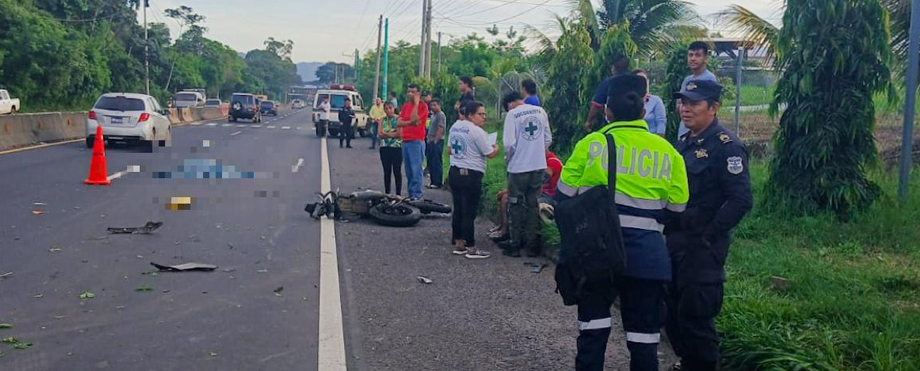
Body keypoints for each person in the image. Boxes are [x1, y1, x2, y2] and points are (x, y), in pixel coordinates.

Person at [556, 74, 690, 371]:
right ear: (644, 111)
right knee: (644, 341)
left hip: (597, 254)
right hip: (648, 257)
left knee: (593, 332)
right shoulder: (669, 152)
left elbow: (563, 195)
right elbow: (678, 210)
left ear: (607, 110)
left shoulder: (592, 144)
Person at [665, 79, 752, 371]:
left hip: (702, 247)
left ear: (714, 107)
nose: (685, 109)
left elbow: (740, 199)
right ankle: (688, 362)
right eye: (682, 102)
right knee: (671, 311)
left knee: (696, 314)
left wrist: (709, 234)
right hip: (676, 241)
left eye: (693, 103)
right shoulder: (684, 143)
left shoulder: (727, 147)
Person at [498, 91, 552, 258]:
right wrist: (536, 152)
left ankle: (514, 245)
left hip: (518, 168)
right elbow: (548, 138)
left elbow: (508, 144)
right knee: (533, 205)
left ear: (509, 105)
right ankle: (531, 246)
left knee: (514, 204)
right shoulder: (540, 111)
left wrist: (510, 160)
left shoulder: (513, 115)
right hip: (538, 166)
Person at [448, 100, 498, 259]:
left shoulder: (455, 126)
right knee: (469, 211)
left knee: (458, 209)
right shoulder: (477, 132)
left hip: (455, 172)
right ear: (470, 115)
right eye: (480, 114)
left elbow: (449, 149)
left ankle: (459, 244)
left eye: (484, 114)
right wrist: (496, 147)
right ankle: (471, 248)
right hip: (471, 175)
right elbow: (489, 153)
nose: (484, 117)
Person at [489, 150, 562, 242]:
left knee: (517, 200)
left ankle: (511, 234)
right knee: (507, 198)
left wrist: (511, 190)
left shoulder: (552, 162)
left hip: (548, 196)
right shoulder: (538, 161)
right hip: (537, 192)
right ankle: (503, 229)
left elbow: (538, 183)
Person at [677, 41, 719, 138]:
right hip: (684, 131)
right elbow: (679, 104)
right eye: (690, 55)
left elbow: (709, 109)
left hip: (701, 133)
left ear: (705, 58)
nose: (693, 58)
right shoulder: (687, 80)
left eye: (697, 55)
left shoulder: (709, 80)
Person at [397, 84, 429, 200]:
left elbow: (416, 121)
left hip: (416, 141)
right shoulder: (405, 106)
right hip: (405, 140)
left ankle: (417, 195)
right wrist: (409, 122)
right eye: (408, 91)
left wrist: (415, 104)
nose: (410, 94)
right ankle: (411, 194)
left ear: (418, 94)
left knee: (416, 170)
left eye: (413, 92)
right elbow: (399, 122)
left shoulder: (422, 106)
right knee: (409, 170)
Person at [584, 54, 631, 132]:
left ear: (614, 68)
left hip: (615, 123)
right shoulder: (637, 81)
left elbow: (596, 105)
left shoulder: (610, 82)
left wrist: (589, 121)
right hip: (636, 123)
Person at [378, 102, 403, 196]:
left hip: (396, 147)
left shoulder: (399, 119)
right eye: (386, 108)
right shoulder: (382, 120)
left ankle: (398, 193)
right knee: (386, 171)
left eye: (390, 108)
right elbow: (380, 134)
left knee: (397, 171)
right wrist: (391, 134)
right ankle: (387, 192)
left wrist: (387, 134)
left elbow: (399, 134)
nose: (388, 110)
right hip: (384, 147)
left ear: (394, 108)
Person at [634, 69, 666, 137]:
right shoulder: (628, 101)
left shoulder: (656, 101)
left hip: (653, 138)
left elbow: (661, 123)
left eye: (644, 80)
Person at [426, 99, 447, 189]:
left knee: (436, 162)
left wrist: (436, 140)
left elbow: (440, 128)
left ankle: (437, 182)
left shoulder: (440, 115)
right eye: (431, 105)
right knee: (430, 161)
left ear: (439, 105)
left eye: (435, 105)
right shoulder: (433, 115)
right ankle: (432, 181)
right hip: (430, 140)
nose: (432, 107)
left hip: (437, 141)